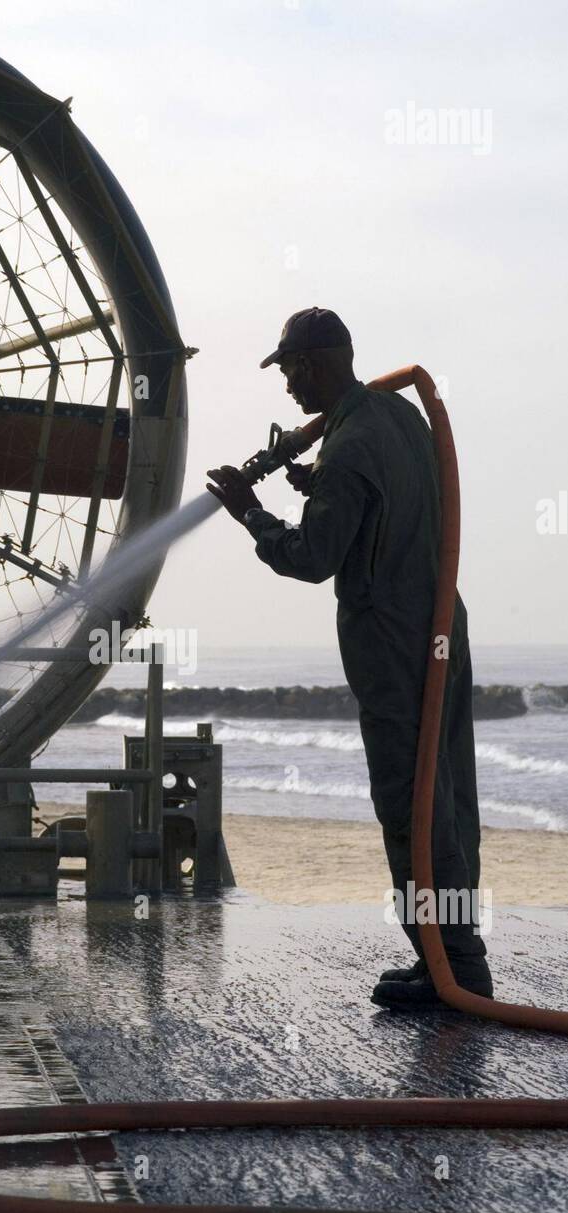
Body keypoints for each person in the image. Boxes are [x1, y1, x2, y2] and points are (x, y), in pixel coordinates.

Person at [206, 307, 492, 1010]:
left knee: (409, 803)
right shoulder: (397, 419)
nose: (287, 390)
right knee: (448, 795)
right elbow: (387, 504)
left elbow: (311, 559)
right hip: (440, 628)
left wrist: (251, 511)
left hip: (392, 643)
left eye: (289, 371)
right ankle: (451, 960)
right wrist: (316, 488)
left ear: (313, 365)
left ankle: (453, 970)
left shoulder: (350, 446)